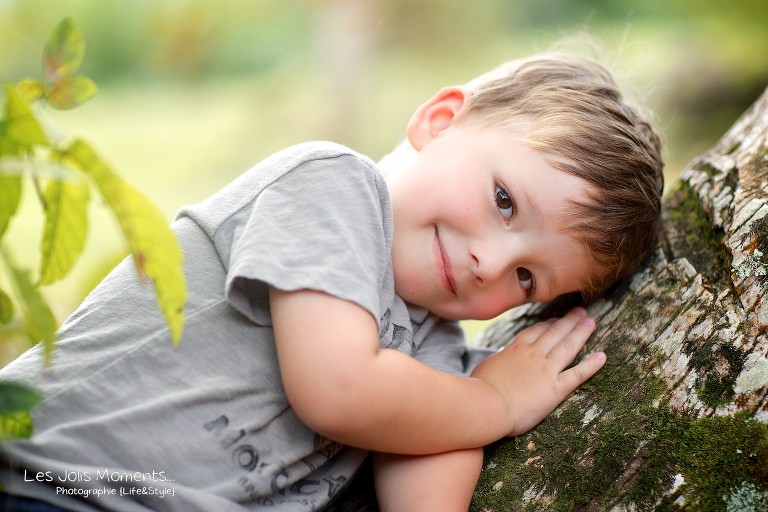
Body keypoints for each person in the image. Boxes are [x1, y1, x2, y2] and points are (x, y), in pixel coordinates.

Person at [0, 50, 663, 512]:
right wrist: (497, 406)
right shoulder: (332, 186)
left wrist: (472, 410)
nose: (489, 264)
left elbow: (424, 465)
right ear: (441, 121)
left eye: (526, 278)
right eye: (505, 201)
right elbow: (339, 389)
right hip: (52, 482)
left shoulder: (433, 350)